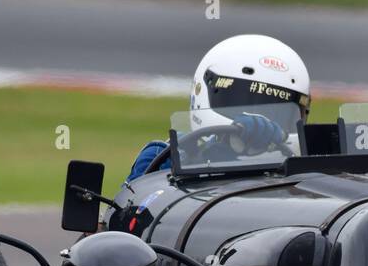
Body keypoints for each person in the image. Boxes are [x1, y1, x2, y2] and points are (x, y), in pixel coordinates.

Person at [125, 34, 311, 183]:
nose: (260, 123)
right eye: (240, 103)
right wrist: (204, 162)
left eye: (278, 113)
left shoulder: (305, 176)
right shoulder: (165, 157)